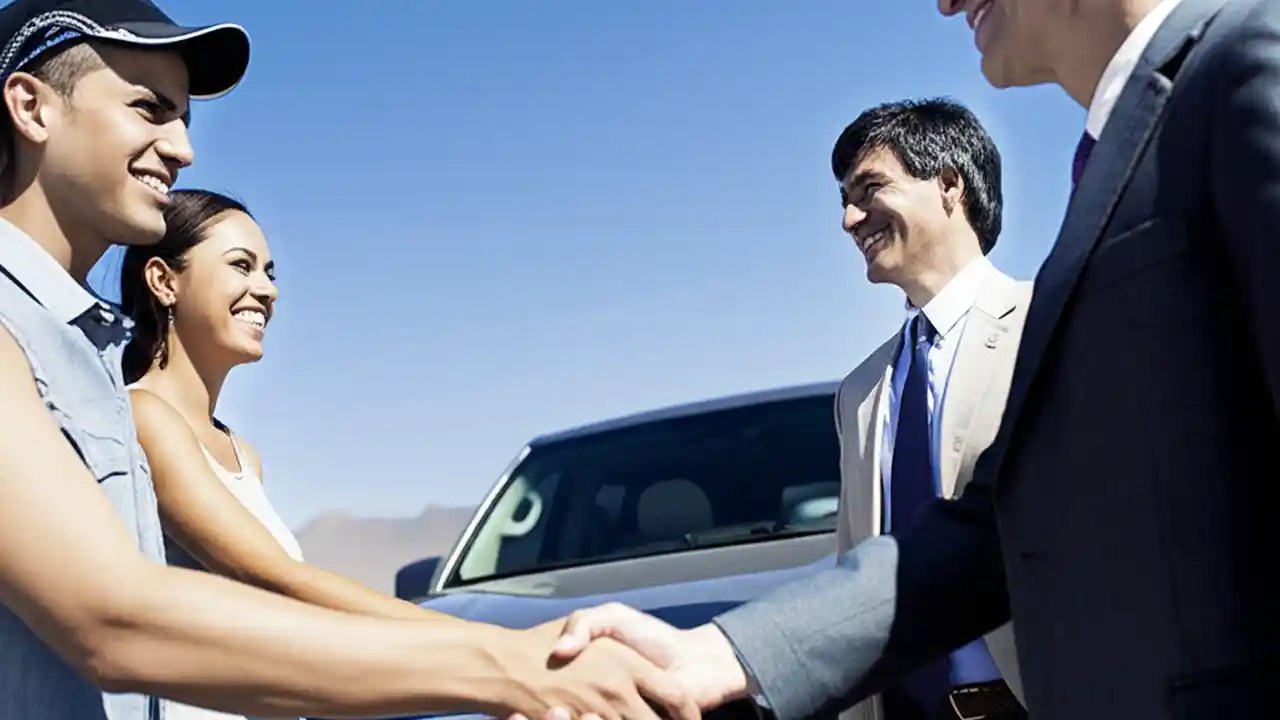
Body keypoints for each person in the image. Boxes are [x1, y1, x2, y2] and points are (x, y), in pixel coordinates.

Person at [548, 0, 1275, 718]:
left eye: (870, 190)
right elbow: (997, 532)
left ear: (950, 188)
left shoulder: (1248, 65)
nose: (944, 2)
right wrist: (732, 653)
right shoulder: (1117, 158)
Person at [0, 2, 695, 720]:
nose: (182, 149)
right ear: (32, 107)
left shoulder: (86, 347)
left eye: (184, 119)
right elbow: (112, 619)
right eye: (149, 109)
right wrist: (505, 663)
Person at [118, 189, 491, 720]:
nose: (265, 290)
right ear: (164, 281)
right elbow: (275, 578)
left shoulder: (243, 454)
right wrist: (485, 648)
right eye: (240, 266)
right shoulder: (145, 417)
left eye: (270, 272)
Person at [826, 99, 1029, 720]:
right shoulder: (859, 392)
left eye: (870, 188)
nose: (849, 219)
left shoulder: (1051, 324)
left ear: (947, 185)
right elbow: (851, 573)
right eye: (843, 199)